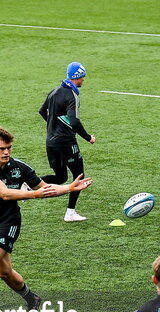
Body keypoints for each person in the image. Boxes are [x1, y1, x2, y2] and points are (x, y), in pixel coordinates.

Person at [0, 127, 92, 307]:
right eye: (1, 149)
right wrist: (35, 195)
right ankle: (32, 299)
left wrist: (69, 188)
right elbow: (5, 193)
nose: (6, 152)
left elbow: (45, 187)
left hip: (9, 221)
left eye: (9, 148)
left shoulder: (19, 167)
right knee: (4, 272)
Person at [39, 61, 96, 222]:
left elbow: (43, 111)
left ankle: (28, 184)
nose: (83, 80)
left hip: (51, 141)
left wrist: (54, 127)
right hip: (66, 142)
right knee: (79, 175)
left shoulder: (54, 92)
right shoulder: (72, 95)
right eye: (82, 77)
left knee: (61, 176)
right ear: (77, 77)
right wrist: (88, 137)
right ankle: (70, 212)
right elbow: (74, 121)